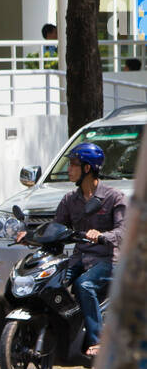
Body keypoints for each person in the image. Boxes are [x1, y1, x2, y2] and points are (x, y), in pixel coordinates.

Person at [51, 143, 125, 357]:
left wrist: (102, 236)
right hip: (79, 259)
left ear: (87, 168)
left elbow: (124, 230)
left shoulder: (113, 197)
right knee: (51, 283)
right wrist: (29, 236)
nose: (69, 169)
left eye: (74, 164)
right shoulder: (69, 200)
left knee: (84, 285)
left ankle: (97, 340)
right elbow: (57, 226)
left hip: (109, 261)